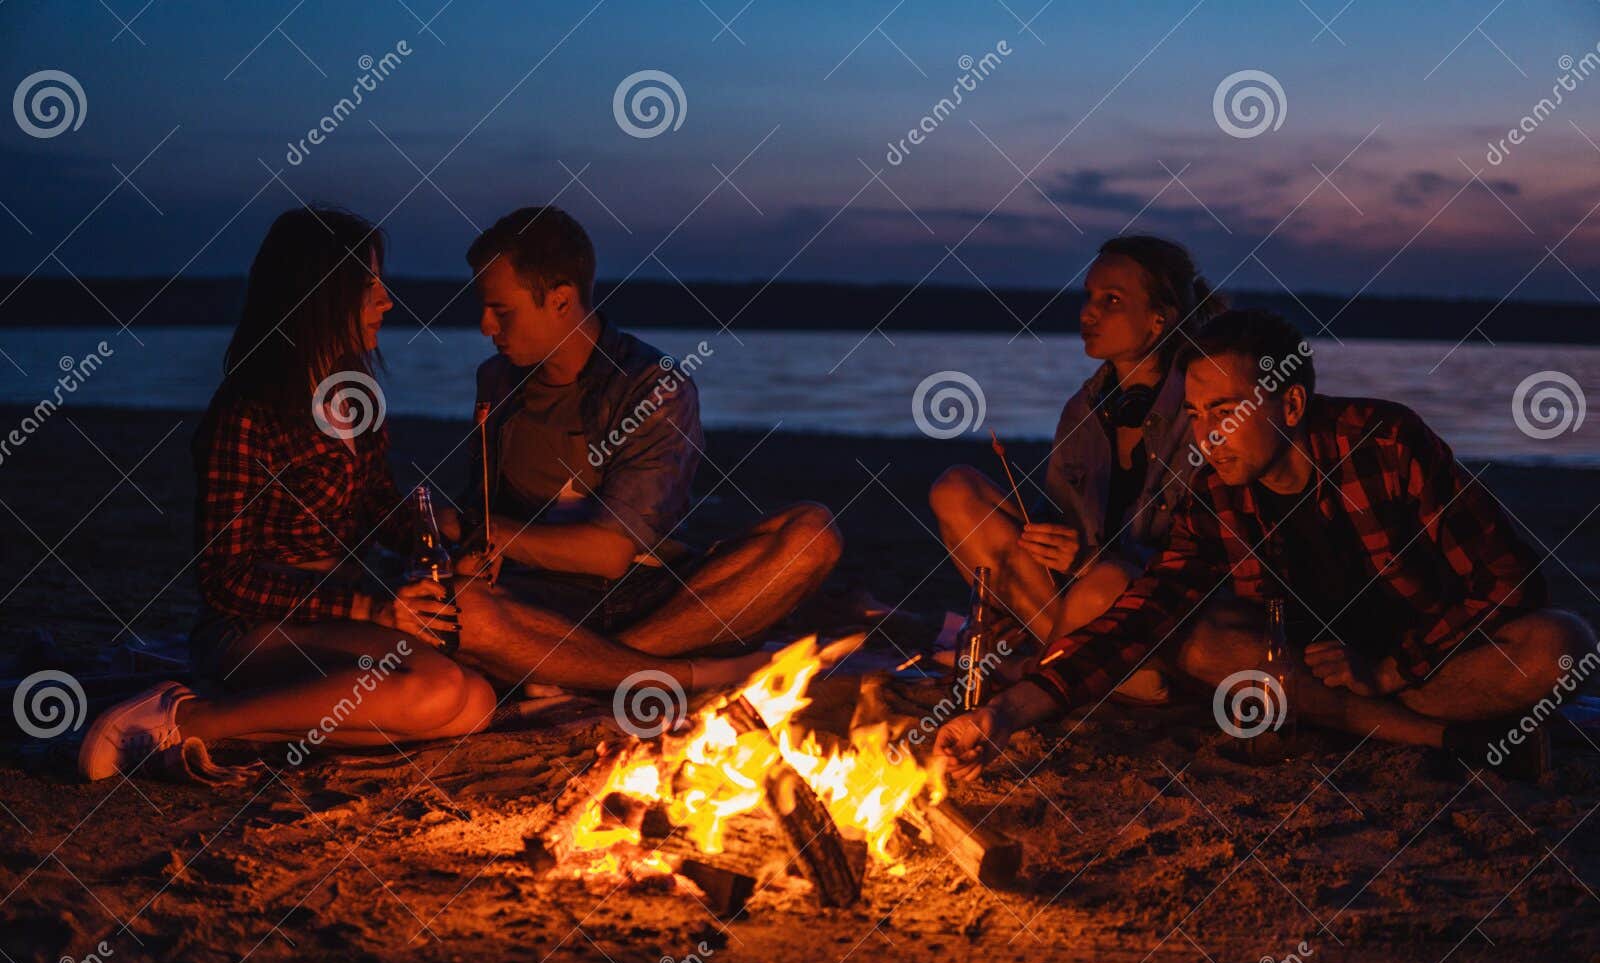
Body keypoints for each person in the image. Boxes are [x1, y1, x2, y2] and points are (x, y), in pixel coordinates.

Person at [77, 207, 760, 782]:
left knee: (471, 702)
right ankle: (185, 717)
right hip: (257, 622)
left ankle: (248, 730)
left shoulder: (355, 402)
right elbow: (227, 579)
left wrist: (441, 541)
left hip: (334, 614)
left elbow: (378, 504)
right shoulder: (248, 412)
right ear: (323, 296)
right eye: (369, 283)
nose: (385, 300)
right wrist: (377, 607)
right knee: (436, 688)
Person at [932, 309, 1596, 780]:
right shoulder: (1213, 489)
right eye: (1194, 416)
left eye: (1225, 412)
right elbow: (1139, 617)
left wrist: (1395, 666)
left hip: (1426, 661)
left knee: (1564, 645)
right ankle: (1444, 738)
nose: (1204, 438)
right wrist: (1004, 714)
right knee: (1193, 638)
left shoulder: (1385, 441)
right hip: (1308, 672)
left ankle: (1396, 719)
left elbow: (1509, 579)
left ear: (1293, 405)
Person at [442, 206, 843, 666]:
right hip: (533, 598)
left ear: (560, 300)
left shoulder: (651, 387)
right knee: (451, 606)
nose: (485, 326)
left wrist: (483, 531)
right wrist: (470, 545)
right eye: (484, 308)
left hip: (651, 598)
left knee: (812, 533)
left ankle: (605, 664)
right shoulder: (497, 381)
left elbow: (609, 553)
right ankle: (600, 668)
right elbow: (484, 507)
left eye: (501, 310)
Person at [927, 235, 1222, 698]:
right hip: (1075, 603)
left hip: (1154, 607)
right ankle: (1073, 662)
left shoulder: (1204, 410)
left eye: (1112, 301)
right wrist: (1028, 578)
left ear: (1157, 321)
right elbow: (1057, 525)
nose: (1088, 313)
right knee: (955, 489)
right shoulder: (1082, 410)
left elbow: (1206, 560)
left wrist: (1088, 562)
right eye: (1088, 297)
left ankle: (1048, 669)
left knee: (1105, 581)